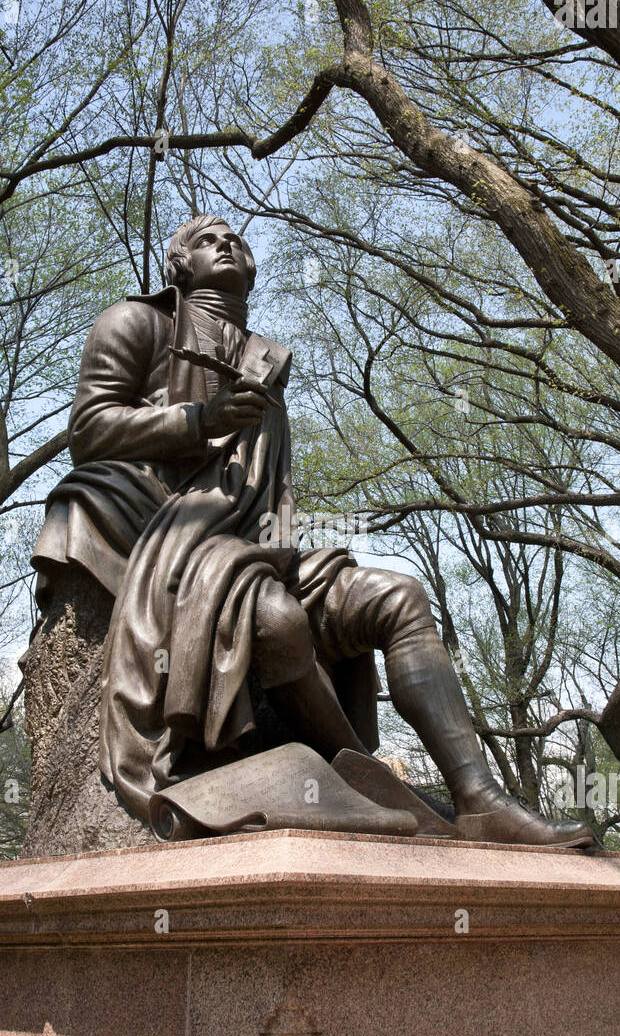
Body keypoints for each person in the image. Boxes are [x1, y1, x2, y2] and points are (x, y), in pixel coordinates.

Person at [31, 215, 591, 846]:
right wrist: (197, 419)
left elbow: (268, 487)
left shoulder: (264, 360)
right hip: (173, 535)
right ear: (178, 265)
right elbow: (90, 429)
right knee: (275, 621)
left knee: (400, 598)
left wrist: (279, 536)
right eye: (208, 238)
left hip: (264, 544)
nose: (228, 243)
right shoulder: (135, 323)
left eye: (236, 238)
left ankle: (480, 798)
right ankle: (367, 774)